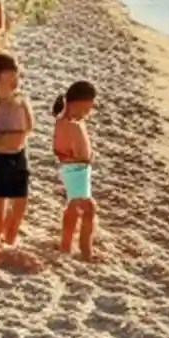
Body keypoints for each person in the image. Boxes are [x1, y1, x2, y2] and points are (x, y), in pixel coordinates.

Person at [0, 54, 35, 269]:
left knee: (21, 201)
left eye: (16, 76)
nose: (13, 81)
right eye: (7, 77)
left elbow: (29, 127)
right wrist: (4, 135)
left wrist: (21, 107)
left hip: (18, 155)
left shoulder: (22, 101)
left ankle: (9, 237)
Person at [52, 81, 99, 262]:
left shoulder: (74, 120)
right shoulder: (66, 122)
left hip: (81, 168)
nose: (86, 114)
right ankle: (85, 249)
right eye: (84, 109)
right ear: (73, 103)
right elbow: (61, 146)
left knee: (76, 206)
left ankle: (66, 243)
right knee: (87, 207)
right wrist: (79, 156)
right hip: (75, 168)